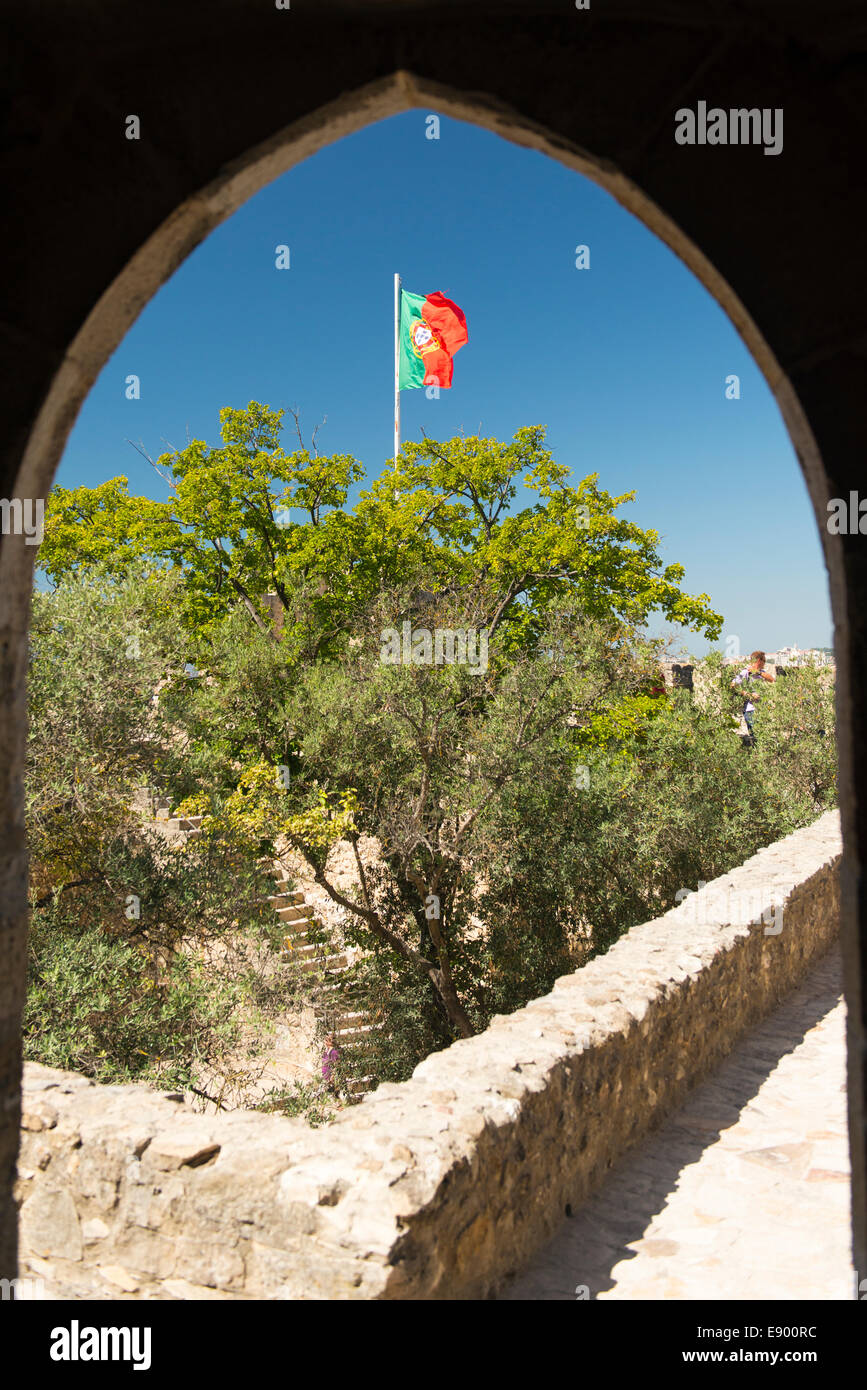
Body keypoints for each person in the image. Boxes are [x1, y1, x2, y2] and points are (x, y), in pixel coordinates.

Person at [731, 650, 775, 746]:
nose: (765, 663)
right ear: (759, 660)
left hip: (760, 709)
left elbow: (771, 679)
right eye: (764, 660)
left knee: (762, 736)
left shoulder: (760, 672)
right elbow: (733, 685)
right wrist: (748, 694)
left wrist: (758, 672)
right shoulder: (745, 672)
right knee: (756, 737)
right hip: (750, 710)